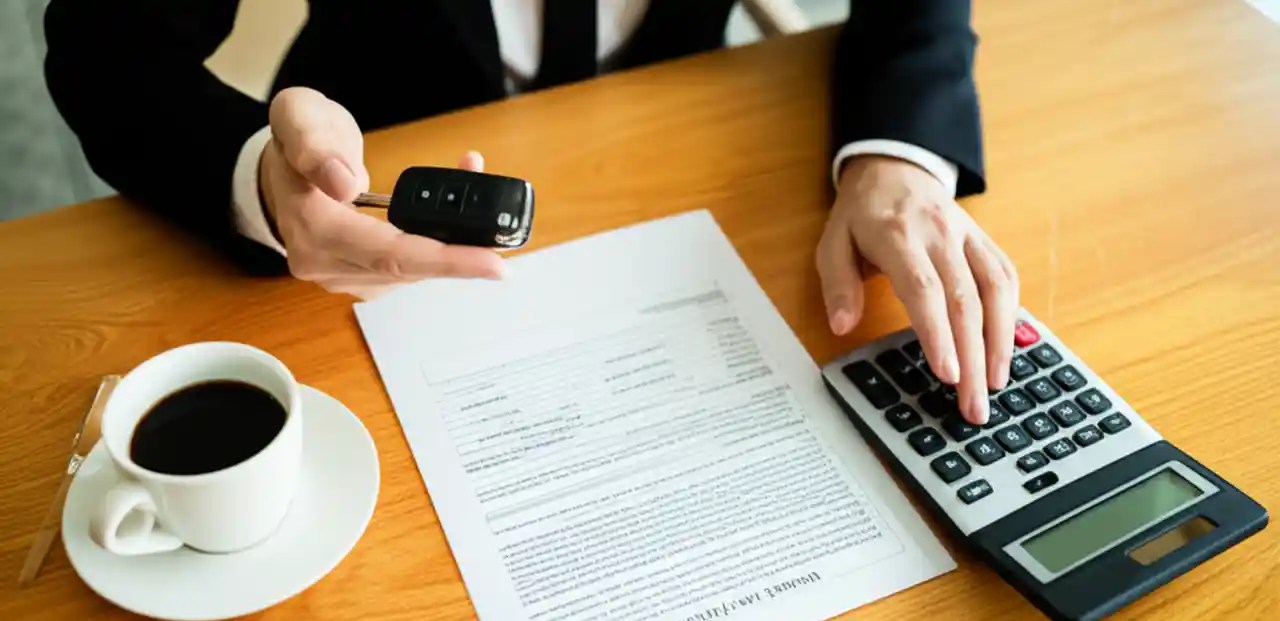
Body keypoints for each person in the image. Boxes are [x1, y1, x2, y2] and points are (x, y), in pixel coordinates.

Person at [43, 0, 1015, 425]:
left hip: (679, 150)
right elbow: (106, 43)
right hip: (359, 197)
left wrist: (895, 151)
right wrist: (256, 177)